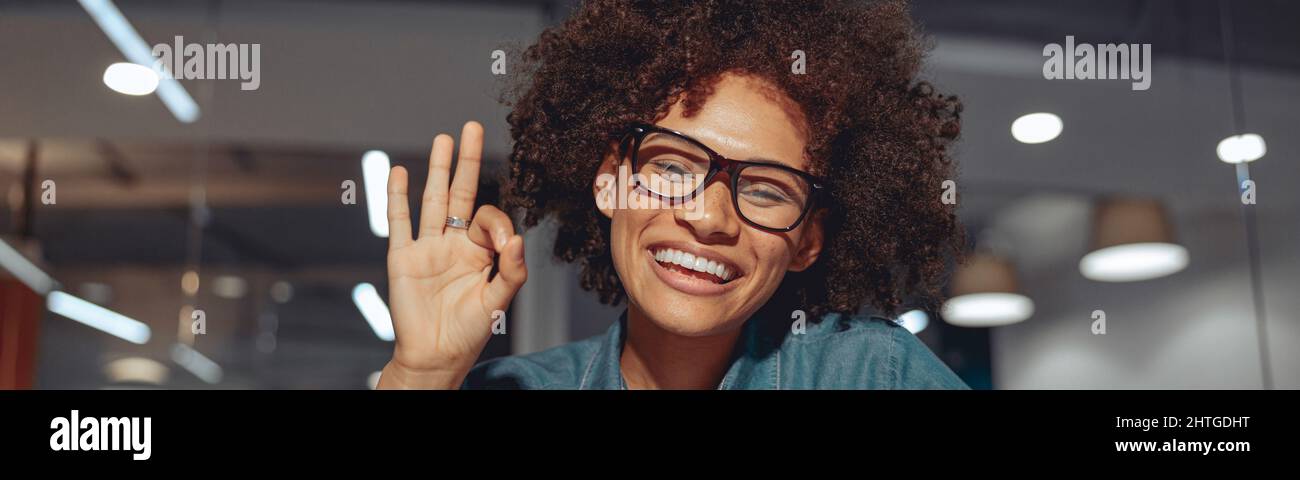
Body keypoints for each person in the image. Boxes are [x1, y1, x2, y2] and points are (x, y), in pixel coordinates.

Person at [377, 0, 967, 390]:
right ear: (610, 181)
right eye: (674, 166)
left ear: (809, 238)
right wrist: (420, 374)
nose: (709, 218)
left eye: (764, 191)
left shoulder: (871, 375)